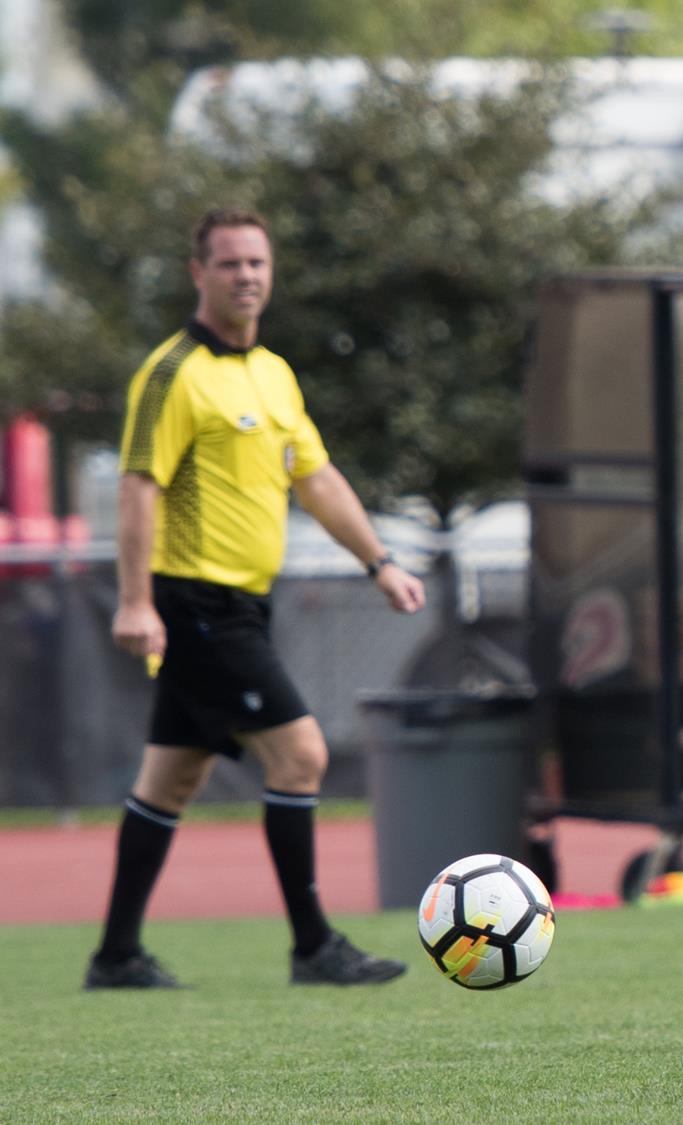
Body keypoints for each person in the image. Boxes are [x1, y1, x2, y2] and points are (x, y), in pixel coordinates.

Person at [90, 207, 427, 989]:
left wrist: (378, 559)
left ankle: (115, 954)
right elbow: (138, 487)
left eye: (258, 263)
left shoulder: (271, 372)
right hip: (192, 603)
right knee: (302, 753)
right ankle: (314, 946)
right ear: (197, 273)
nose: (247, 276)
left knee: (171, 779)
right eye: (230, 263)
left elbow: (313, 475)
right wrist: (134, 601)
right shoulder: (173, 373)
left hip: (244, 606)